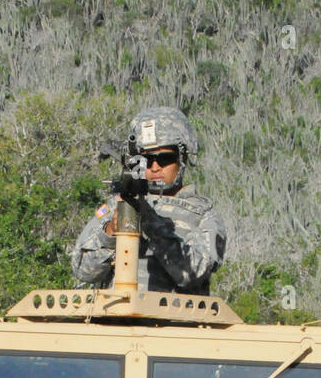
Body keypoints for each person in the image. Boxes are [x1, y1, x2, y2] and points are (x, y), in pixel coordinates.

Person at [71, 106, 227, 294]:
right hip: (115, 319)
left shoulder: (203, 215)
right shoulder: (117, 205)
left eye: (165, 159)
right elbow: (82, 270)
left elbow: (191, 273)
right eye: (146, 159)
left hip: (174, 320)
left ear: (182, 157)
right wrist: (110, 233)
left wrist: (148, 220)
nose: (154, 167)